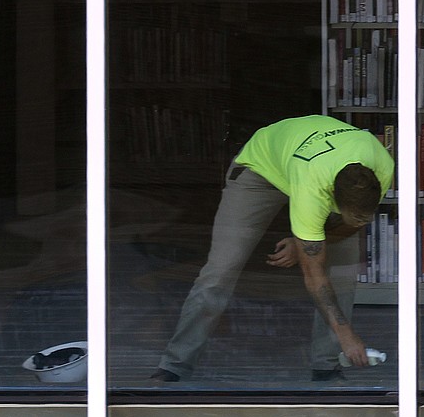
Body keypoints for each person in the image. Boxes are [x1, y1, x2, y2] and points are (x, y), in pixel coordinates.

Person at [151, 114, 394, 383]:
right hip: (261, 168)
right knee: (222, 268)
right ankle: (175, 363)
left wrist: (305, 241)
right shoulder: (313, 189)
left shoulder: (381, 169)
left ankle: (326, 366)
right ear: (330, 200)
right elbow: (313, 276)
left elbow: (355, 222)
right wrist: (348, 335)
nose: (362, 222)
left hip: (306, 163)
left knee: (343, 274)